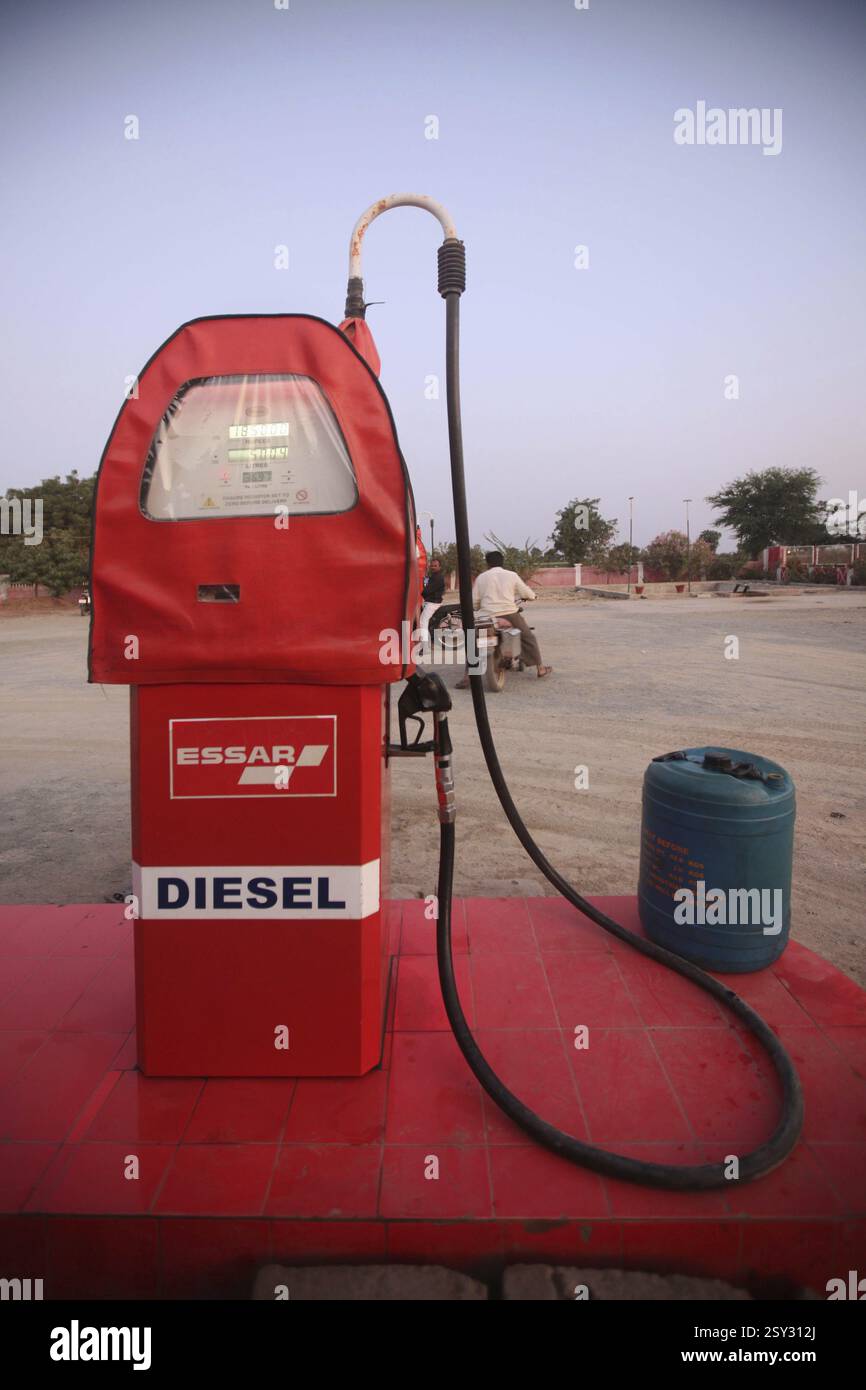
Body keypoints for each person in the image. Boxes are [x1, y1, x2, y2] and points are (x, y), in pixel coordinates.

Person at [456, 551, 552, 687]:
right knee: (528, 637)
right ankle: (540, 668)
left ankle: (467, 676)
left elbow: (474, 601)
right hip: (509, 614)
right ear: (502, 562)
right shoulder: (511, 575)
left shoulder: (482, 578)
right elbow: (526, 592)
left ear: (487, 563)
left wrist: (479, 607)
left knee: (473, 639)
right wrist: (532, 596)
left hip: (486, 616)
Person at [419, 557, 446, 636]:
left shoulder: (438, 578)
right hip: (430, 601)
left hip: (433, 603)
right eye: (432, 566)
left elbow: (427, 591)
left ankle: (425, 644)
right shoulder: (433, 576)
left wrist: (422, 592)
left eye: (435, 566)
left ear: (439, 567)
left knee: (423, 621)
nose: (433, 567)